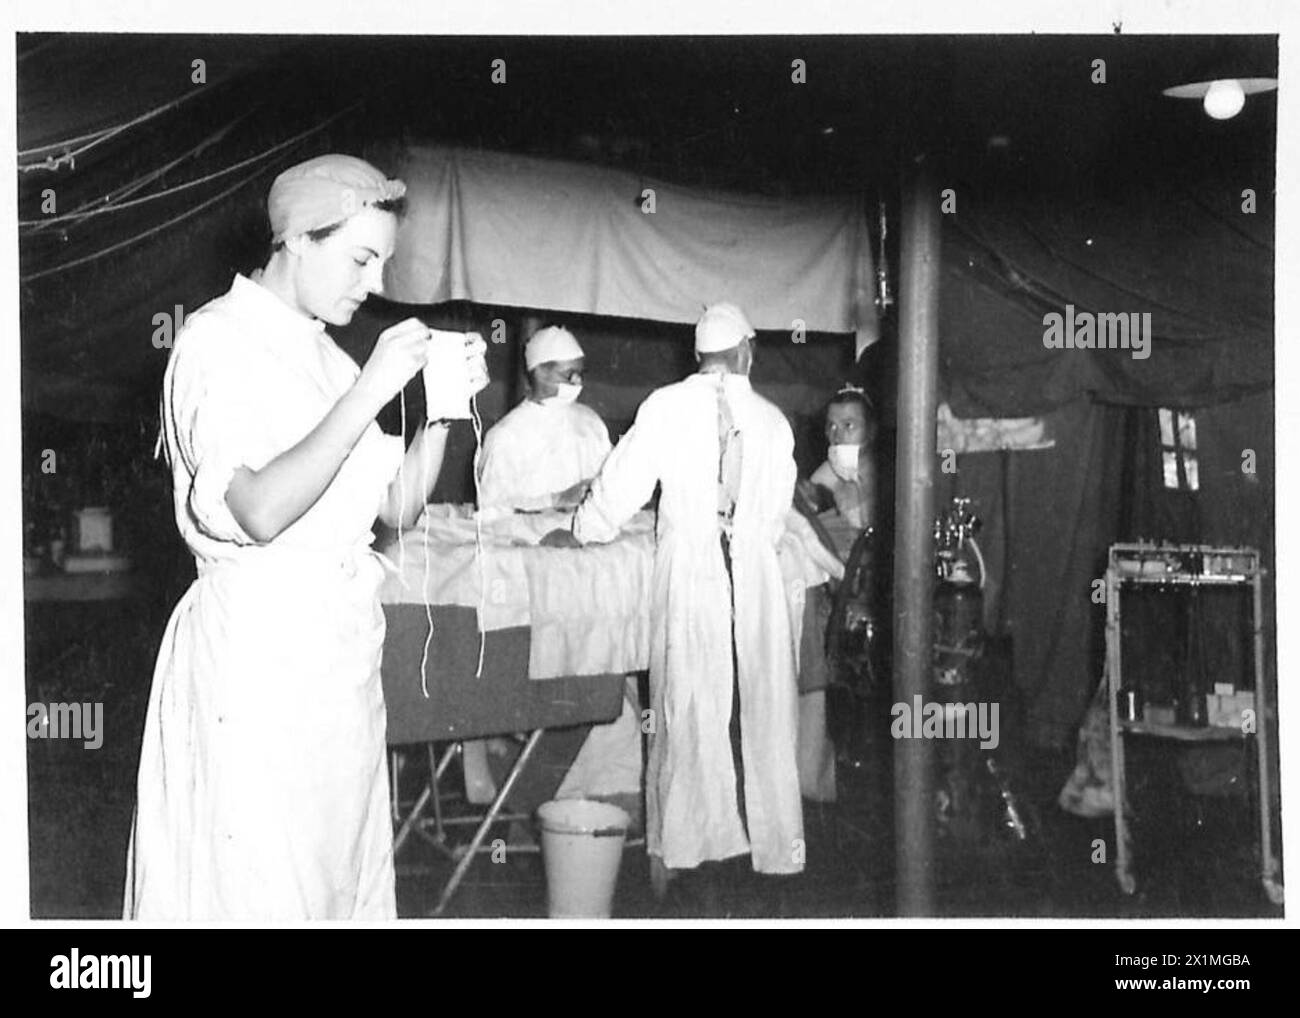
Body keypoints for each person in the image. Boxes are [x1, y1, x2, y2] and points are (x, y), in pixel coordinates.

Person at [124, 154, 486, 920]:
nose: (373, 282)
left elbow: (393, 507)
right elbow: (256, 509)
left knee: (331, 883)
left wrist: (445, 410)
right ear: (295, 239)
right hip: (258, 666)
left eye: (382, 263)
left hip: (335, 666)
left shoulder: (323, 352)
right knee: (261, 887)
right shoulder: (217, 343)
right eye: (360, 258)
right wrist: (368, 392)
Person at [550, 301, 803, 886]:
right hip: (753, 578)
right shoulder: (773, 420)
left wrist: (582, 530)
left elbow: (620, 487)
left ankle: (693, 848)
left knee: (687, 702)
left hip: (693, 572)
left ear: (699, 355)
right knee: (755, 706)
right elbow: (777, 513)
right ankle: (765, 842)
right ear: (746, 351)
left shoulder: (665, 406)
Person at [477, 325, 612, 512]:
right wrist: (554, 500)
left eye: (580, 374)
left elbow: (613, 481)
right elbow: (492, 510)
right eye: (569, 375)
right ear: (540, 372)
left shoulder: (590, 421)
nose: (577, 382)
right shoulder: (506, 435)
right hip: (525, 536)